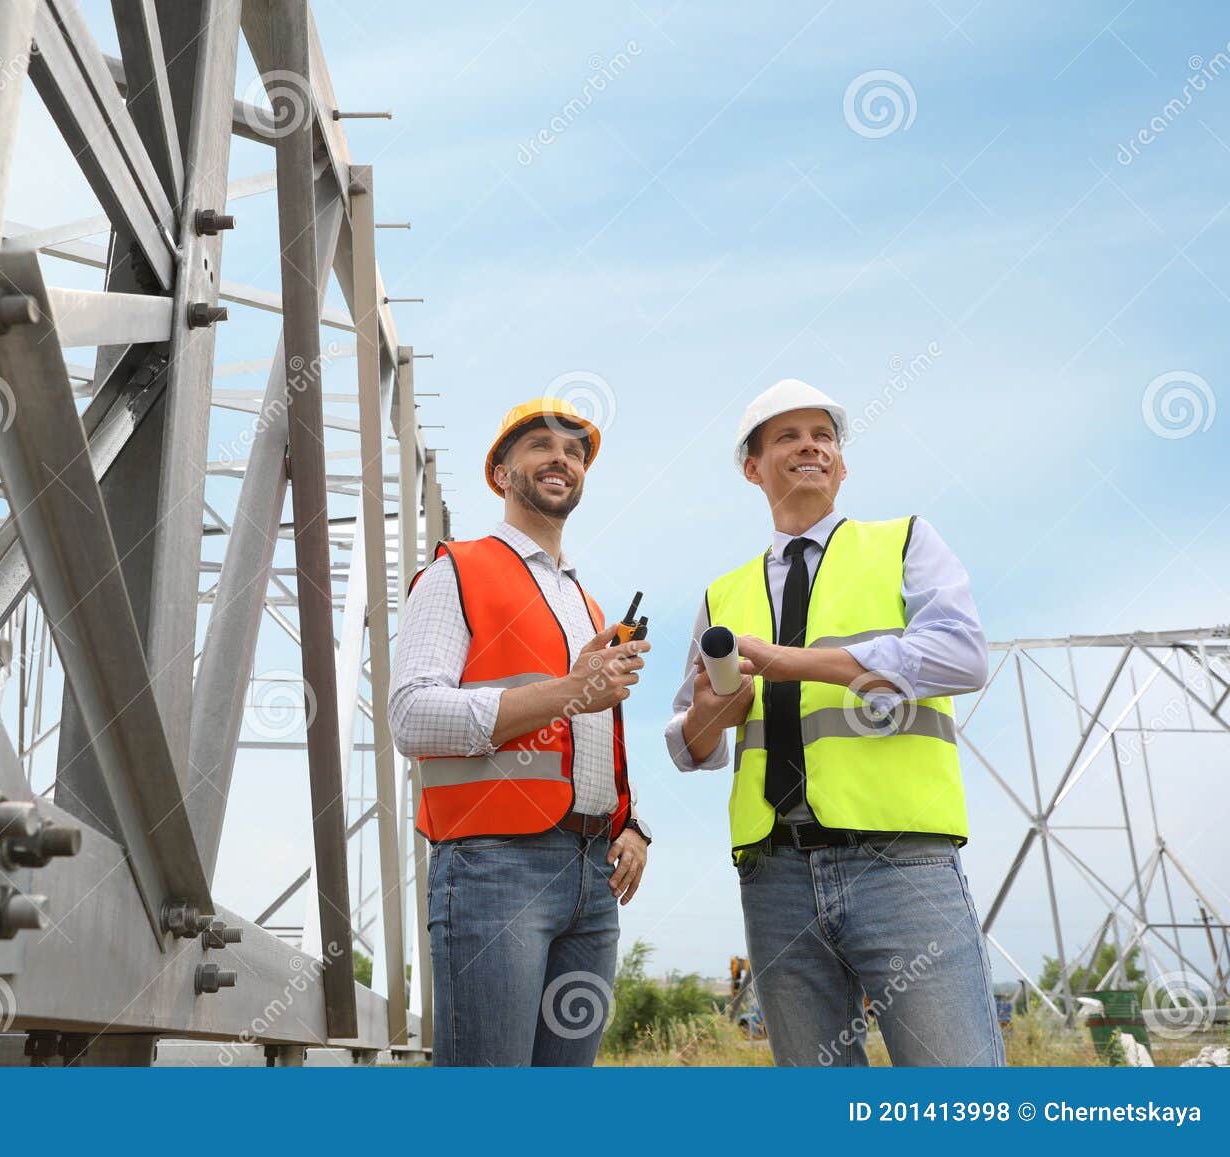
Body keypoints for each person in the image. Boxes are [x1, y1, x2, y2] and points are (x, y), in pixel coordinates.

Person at [666, 378, 1004, 1067]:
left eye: (823, 436)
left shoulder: (905, 541)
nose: (811, 446)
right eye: (788, 436)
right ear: (753, 468)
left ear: (842, 466)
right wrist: (707, 714)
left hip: (901, 862)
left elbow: (965, 656)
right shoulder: (721, 597)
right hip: (776, 875)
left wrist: (797, 662)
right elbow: (687, 740)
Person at [389, 397, 652, 1066]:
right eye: (540, 445)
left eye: (574, 449)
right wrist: (567, 691)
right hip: (494, 868)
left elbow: (588, 735)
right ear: (501, 473)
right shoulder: (458, 571)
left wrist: (630, 820)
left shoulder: (584, 600)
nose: (561, 457)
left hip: (593, 876)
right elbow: (411, 714)